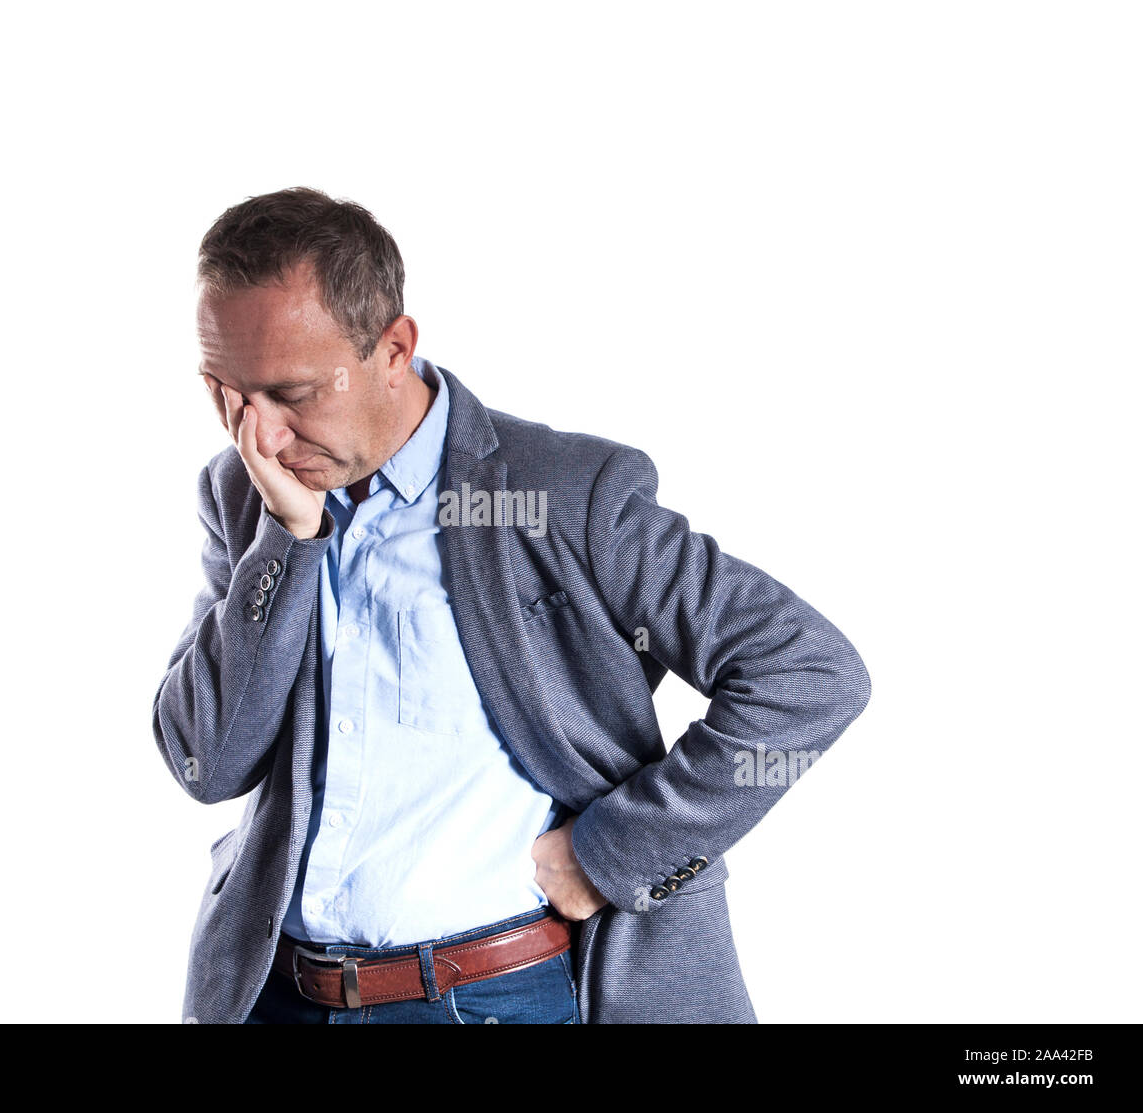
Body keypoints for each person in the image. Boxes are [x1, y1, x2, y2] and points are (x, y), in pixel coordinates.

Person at [151, 186, 871, 1024]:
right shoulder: (244, 492)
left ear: (396, 349)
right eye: (230, 396)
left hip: (493, 999)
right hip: (279, 998)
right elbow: (208, 761)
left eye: (296, 393)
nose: (261, 436)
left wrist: (617, 853)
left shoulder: (562, 494)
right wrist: (287, 537)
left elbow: (813, 674)